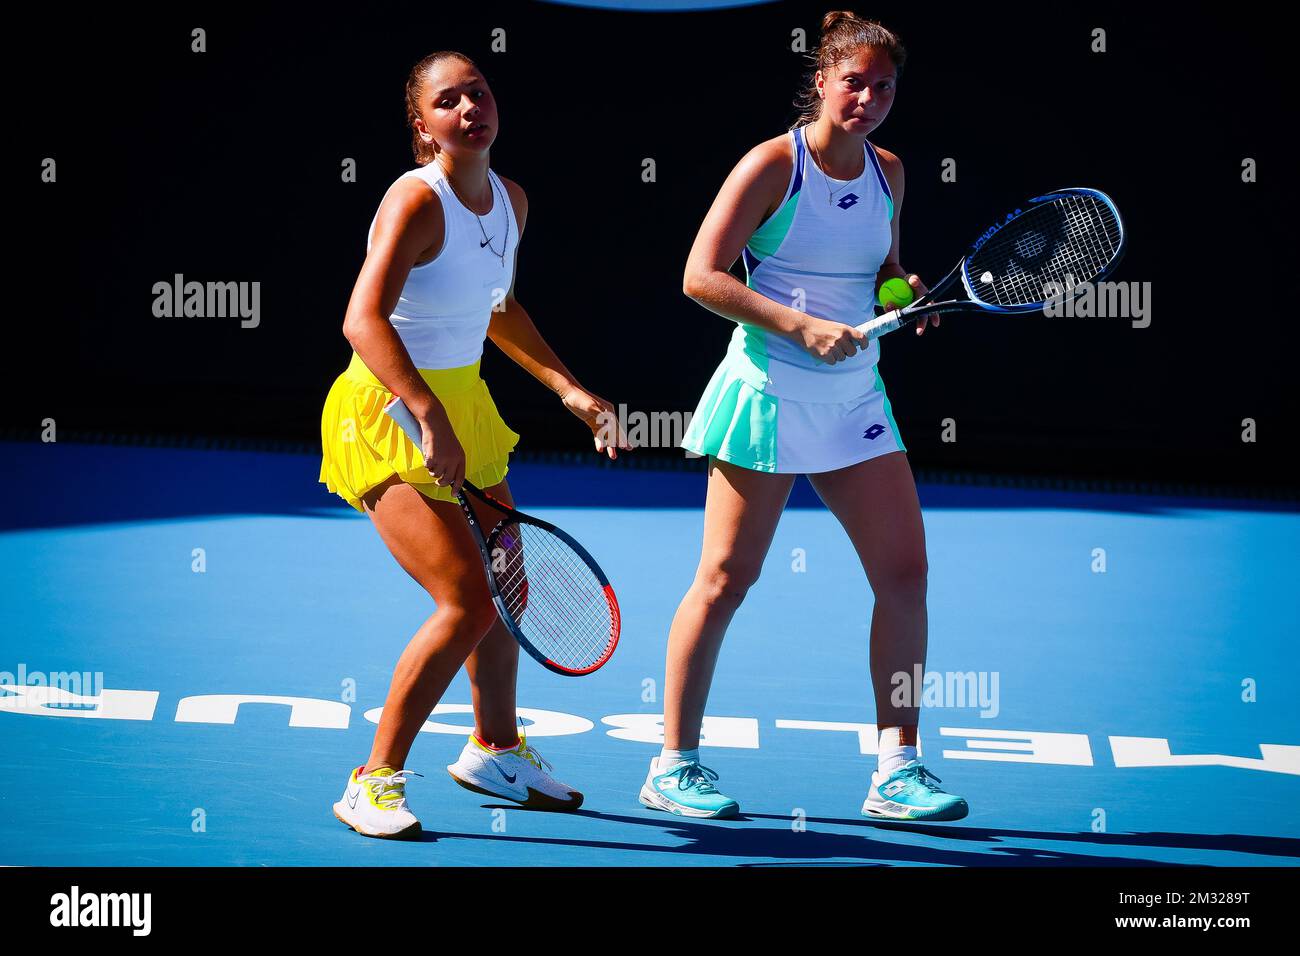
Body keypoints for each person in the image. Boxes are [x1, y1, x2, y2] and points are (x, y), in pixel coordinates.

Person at [643, 11, 968, 822]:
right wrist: (798, 324)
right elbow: (700, 276)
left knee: (906, 575)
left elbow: (882, 271)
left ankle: (898, 767)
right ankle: (673, 763)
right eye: (852, 81)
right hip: (767, 395)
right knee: (725, 581)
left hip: (857, 398)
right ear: (820, 80)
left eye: (883, 85)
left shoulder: (890, 171)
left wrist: (905, 296)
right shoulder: (771, 165)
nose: (866, 98)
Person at [320, 50, 628, 839]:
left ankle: (495, 749)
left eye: (478, 92)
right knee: (465, 602)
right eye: (447, 100)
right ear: (423, 129)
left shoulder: (511, 202)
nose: (469, 107)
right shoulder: (414, 203)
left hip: (462, 403)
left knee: (508, 591)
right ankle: (372, 779)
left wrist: (568, 388)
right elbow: (363, 319)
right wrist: (425, 413)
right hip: (385, 409)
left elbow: (499, 308)